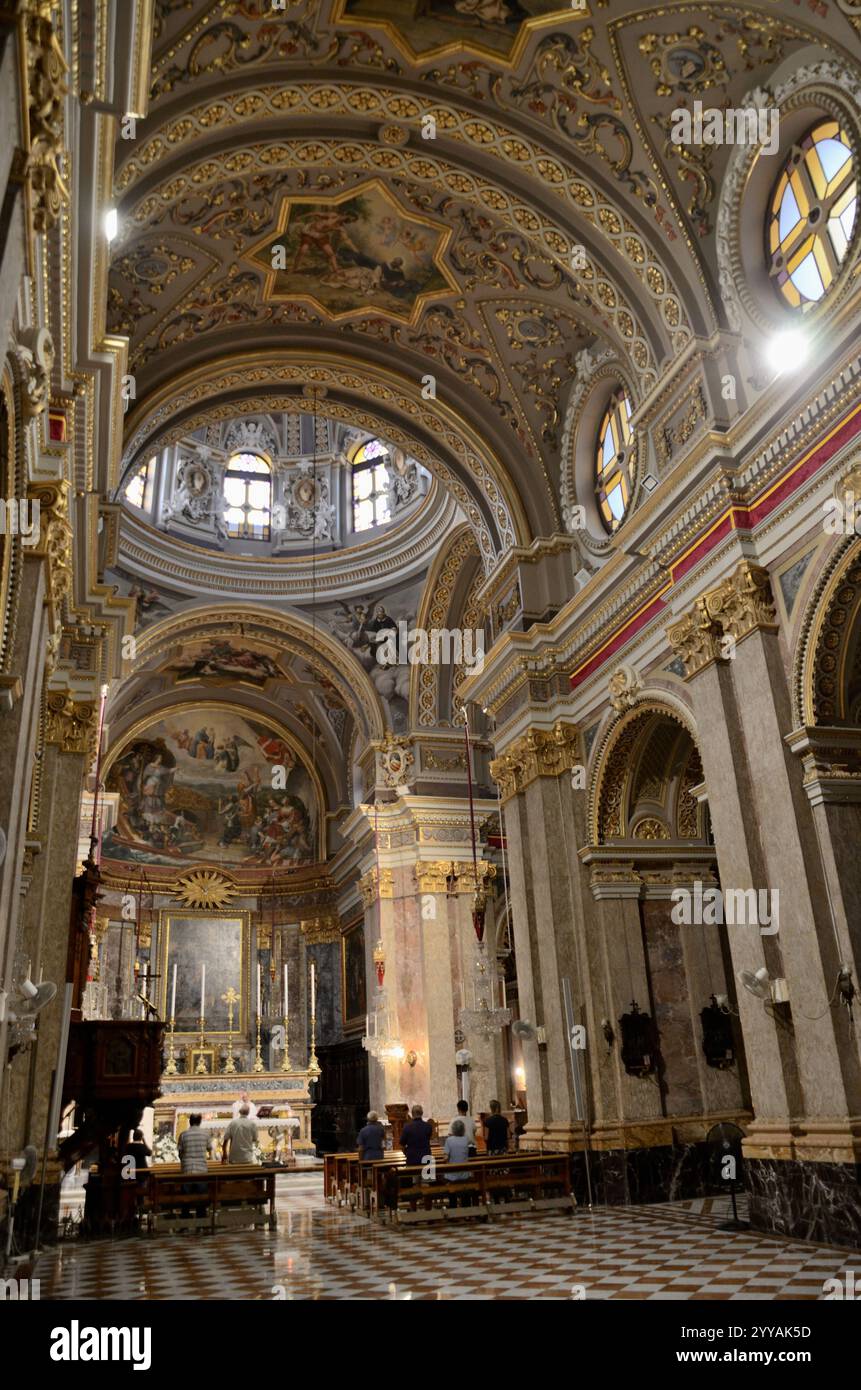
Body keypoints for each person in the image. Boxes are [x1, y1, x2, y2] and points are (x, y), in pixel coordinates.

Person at [178, 1112, 212, 1219]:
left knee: (186, 1196)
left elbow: (180, 1152)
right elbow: (210, 1150)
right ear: (200, 1122)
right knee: (201, 1197)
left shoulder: (183, 1134)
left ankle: (185, 1218)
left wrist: (184, 1161)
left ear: (190, 1121)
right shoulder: (205, 1134)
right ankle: (201, 1218)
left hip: (187, 1169)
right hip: (201, 1169)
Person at [399, 1104, 434, 1168]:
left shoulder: (407, 1127)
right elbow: (429, 1138)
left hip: (412, 1158)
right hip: (426, 1157)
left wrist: (406, 1153)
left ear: (412, 1114)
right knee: (427, 1177)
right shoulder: (428, 1126)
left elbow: (402, 1144)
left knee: (414, 1177)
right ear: (422, 1113)